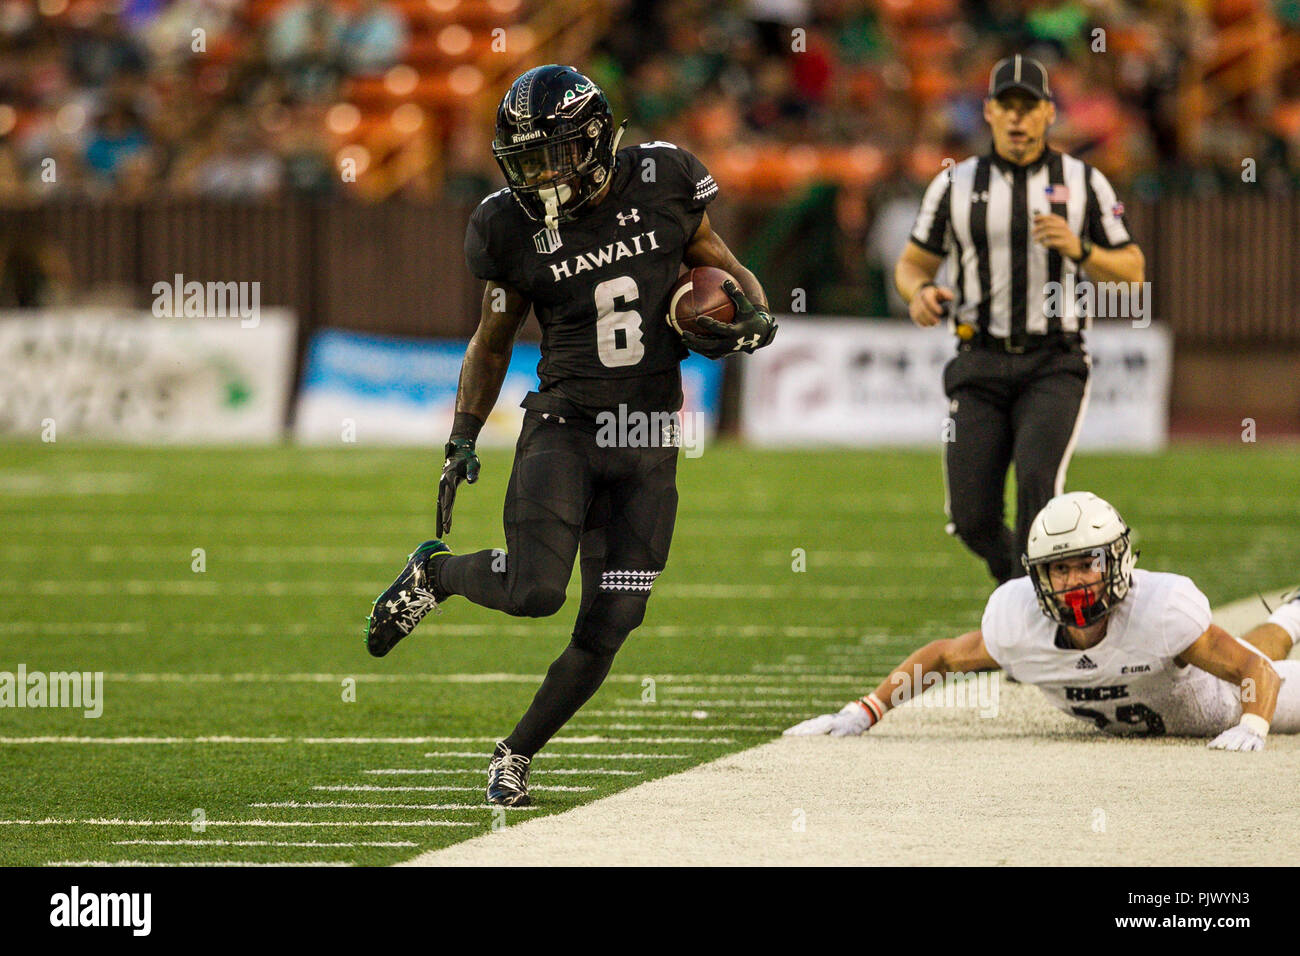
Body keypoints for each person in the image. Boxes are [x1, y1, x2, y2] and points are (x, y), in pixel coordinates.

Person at [364, 65, 777, 806]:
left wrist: (752, 318)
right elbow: (493, 340)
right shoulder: (506, 224)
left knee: (612, 619)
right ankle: (436, 574)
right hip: (566, 424)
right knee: (534, 591)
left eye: (550, 157)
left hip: (649, 433)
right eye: (523, 161)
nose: (537, 176)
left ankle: (516, 753)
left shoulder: (666, 178)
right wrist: (462, 436)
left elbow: (725, 269)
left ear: (593, 143)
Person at [785, 492, 1300, 751]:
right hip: (1182, 693)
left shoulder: (1161, 609)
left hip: (1221, 707)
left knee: (1235, 658)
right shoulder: (1019, 623)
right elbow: (942, 656)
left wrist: (1253, 725)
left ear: (1115, 562)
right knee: (1226, 648)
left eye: (1087, 563)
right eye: (1059, 567)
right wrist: (864, 711)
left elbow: (1260, 673)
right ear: (1038, 576)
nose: (1074, 579)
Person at [893, 55, 1145, 583]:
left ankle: (1039, 623)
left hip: (1053, 362)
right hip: (979, 361)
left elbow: (1132, 272)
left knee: (1037, 490)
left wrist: (1079, 249)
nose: (1016, 118)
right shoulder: (953, 184)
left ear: (1049, 113)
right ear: (987, 112)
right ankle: (1031, 595)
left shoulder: (1084, 182)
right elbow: (913, 264)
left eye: (1028, 107)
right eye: (1006, 106)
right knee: (971, 518)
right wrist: (918, 294)